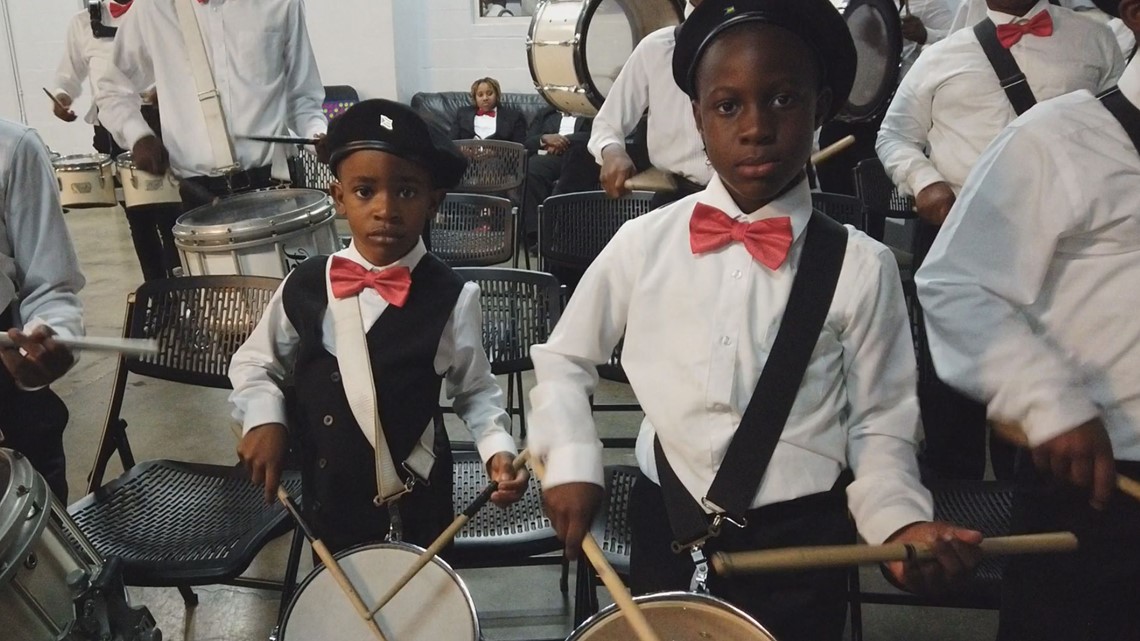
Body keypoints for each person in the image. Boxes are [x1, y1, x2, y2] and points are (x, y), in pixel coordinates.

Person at [527, 2, 982, 640]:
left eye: (782, 100)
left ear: (821, 108)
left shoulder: (862, 265)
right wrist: (574, 457)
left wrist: (897, 521)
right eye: (728, 106)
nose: (756, 128)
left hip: (803, 542)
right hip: (668, 517)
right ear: (697, 117)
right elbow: (565, 357)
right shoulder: (643, 245)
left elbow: (881, 424)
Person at [916, 0, 1140, 634]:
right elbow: (957, 282)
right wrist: (1048, 404)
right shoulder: (1058, 138)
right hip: (1098, 481)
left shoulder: (1091, 43)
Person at [229, 99, 528, 554]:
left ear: (434, 201)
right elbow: (255, 361)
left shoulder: (451, 296)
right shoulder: (306, 284)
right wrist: (264, 417)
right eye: (365, 191)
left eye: (406, 192)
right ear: (339, 198)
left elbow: (476, 390)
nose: (386, 209)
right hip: (326, 500)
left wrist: (497, 448)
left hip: (418, 502)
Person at [876, 0, 1123, 481]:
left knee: (1050, 367)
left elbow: (1118, 128)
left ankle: (1035, 484)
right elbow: (894, 134)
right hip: (957, 229)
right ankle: (954, 492)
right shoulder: (942, 56)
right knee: (956, 376)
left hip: (1064, 242)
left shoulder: (1095, 40)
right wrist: (926, 182)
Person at [96, 0, 327, 211]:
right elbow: (112, 89)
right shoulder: (154, 8)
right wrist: (137, 135)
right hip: (198, 194)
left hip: (277, 184)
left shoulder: (281, 3)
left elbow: (302, 97)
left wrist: (319, 137)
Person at [51, 0, 175, 283]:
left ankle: (183, 286)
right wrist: (62, 97)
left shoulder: (157, 12)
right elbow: (68, 75)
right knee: (138, 216)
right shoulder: (83, 23)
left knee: (171, 211)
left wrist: (161, 89)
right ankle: (156, 292)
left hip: (162, 122)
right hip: (113, 129)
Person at [0, 118, 86, 502]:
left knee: (38, 536)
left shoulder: (14, 149)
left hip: (7, 375)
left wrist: (51, 334)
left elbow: (50, 284)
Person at [587, 0, 713, 207]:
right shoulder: (655, 49)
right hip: (676, 200)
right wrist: (612, 152)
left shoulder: (765, 44)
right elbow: (606, 125)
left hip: (760, 204)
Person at [521, 105, 594, 248]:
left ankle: (559, 236)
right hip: (550, 157)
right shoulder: (545, 113)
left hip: (580, 158)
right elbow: (528, 141)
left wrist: (563, 141)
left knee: (573, 175)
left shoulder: (591, 110)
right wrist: (545, 139)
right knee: (532, 169)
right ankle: (537, 236)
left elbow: (596, 136)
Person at [449, 77, 527, 144]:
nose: (485, 98)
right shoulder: (462, 114)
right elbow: (452, 143)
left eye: (489, 93)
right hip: (467, 159)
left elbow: (519, 148)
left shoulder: (514, 117)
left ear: (497, 95)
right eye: (480, 95)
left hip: (499, 159)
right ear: (474, 98)